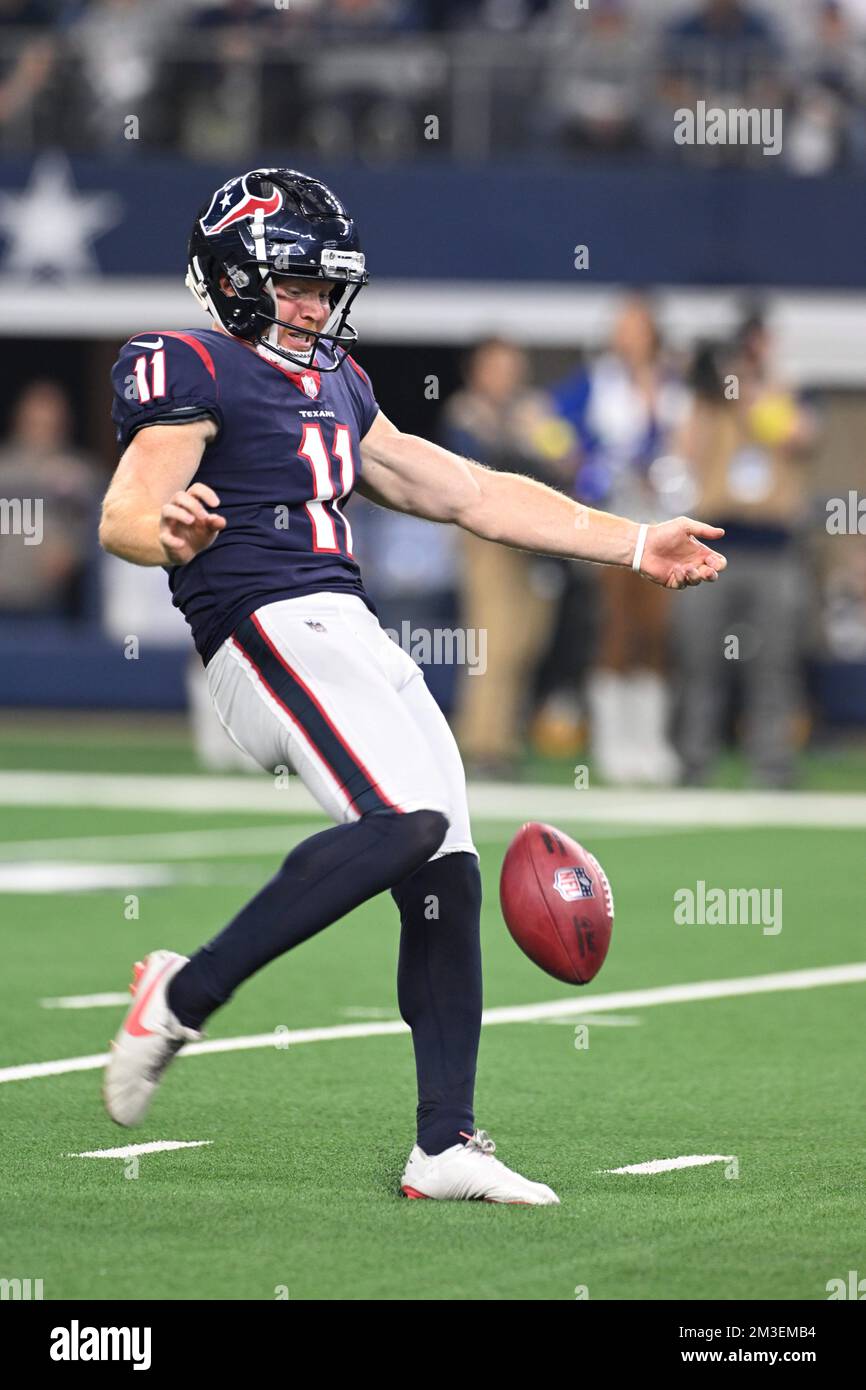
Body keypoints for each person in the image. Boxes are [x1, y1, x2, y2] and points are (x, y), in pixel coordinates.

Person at [99, 167, 726, 1204]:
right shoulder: (190, 362)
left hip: (348, 629)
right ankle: (181, 992)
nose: (314, 304)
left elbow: (469, 490)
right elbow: (126, 508)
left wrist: (630, 542)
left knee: (447, 860)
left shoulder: (339, 380)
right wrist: (162, 531)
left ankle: (443, 1141)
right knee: (402, 818)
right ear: (234, 277)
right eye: (294, 282)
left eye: (324, 285)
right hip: (260, 627)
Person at [441, 337, 576, 778]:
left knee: (526, 641)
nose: (506, 375)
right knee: (492, 640)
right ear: (477, 370)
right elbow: (487, 468)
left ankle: (505, 736)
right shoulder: (468, 412)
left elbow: (567, 462)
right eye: (496, 366)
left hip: (533, 536)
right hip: (488, 541)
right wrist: (528, 443)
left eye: (511, 366)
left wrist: (539, 440)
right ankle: (481, 742)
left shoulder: (533, 411)